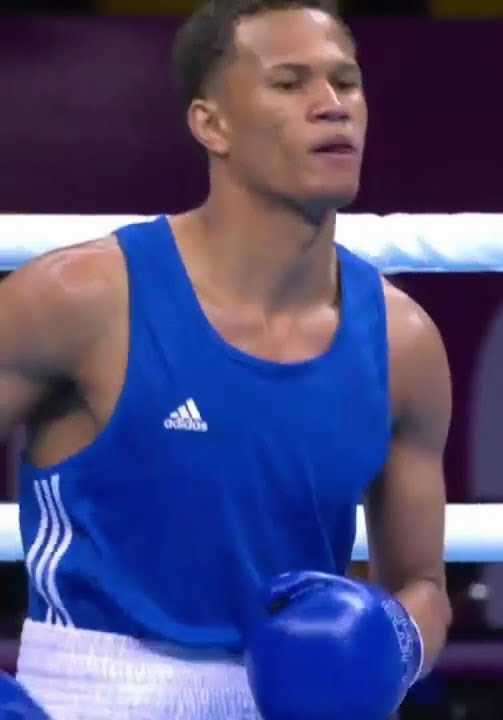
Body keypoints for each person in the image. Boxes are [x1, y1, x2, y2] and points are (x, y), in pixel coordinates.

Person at [0, 1, 452, 717]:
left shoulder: (404, 343)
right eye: (289, 83)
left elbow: (423, 585)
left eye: (347, 81)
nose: (332, 106)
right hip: (89, 693)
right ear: (211, 124)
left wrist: (392, 642)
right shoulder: (80, 300)